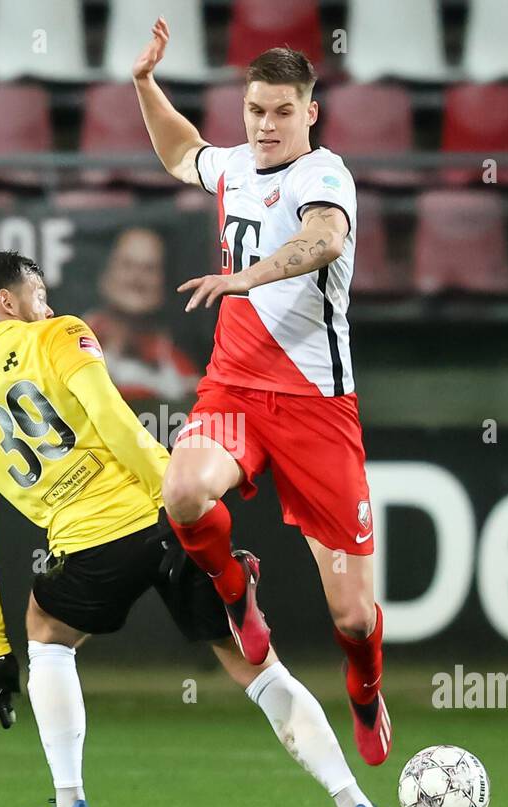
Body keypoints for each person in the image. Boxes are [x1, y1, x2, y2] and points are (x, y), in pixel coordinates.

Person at [0, 250, 398, 807]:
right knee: (258, 670)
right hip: (162, 522)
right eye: (38, 293)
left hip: (88, 549)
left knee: (45, 634)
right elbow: (113, 420)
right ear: (8, 301)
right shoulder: (60, 334)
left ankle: (68, 805)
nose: (47, 304)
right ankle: (353, 804)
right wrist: (178, 494)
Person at [131, 19, 391, 766]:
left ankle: (365, 686)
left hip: (316, 409)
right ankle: (235, 585)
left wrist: (248, 276)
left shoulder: (324, 175)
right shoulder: (236, 165)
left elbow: (325, 240)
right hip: (235, 393)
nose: (266, 124)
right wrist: (145, 86)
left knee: (350, 612)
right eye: (255, 110)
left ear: (310, 112)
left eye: (282, 110)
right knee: (181, 493)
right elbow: (183, 152)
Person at [83, 227, 200, 401]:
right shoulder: (69, 342)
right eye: (127, 265)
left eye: (149, 269)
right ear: (105, 275)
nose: (136, 278)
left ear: (164, 284)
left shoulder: (180, 368)